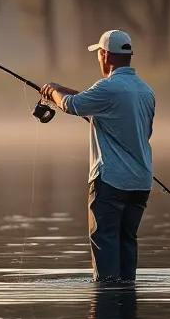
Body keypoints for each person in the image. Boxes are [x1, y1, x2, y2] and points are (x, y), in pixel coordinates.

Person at [40, 30, 155, 283]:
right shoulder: (145, 91)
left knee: (105, 244)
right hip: (141, 182)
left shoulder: (107, 88)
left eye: (98, 54)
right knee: (127, 241)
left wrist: (53, 92)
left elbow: (72, 105)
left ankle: (108, 304)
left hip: (111, 180)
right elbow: (93, 100)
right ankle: (126, 296)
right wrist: (61, 89)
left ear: (105, 55)